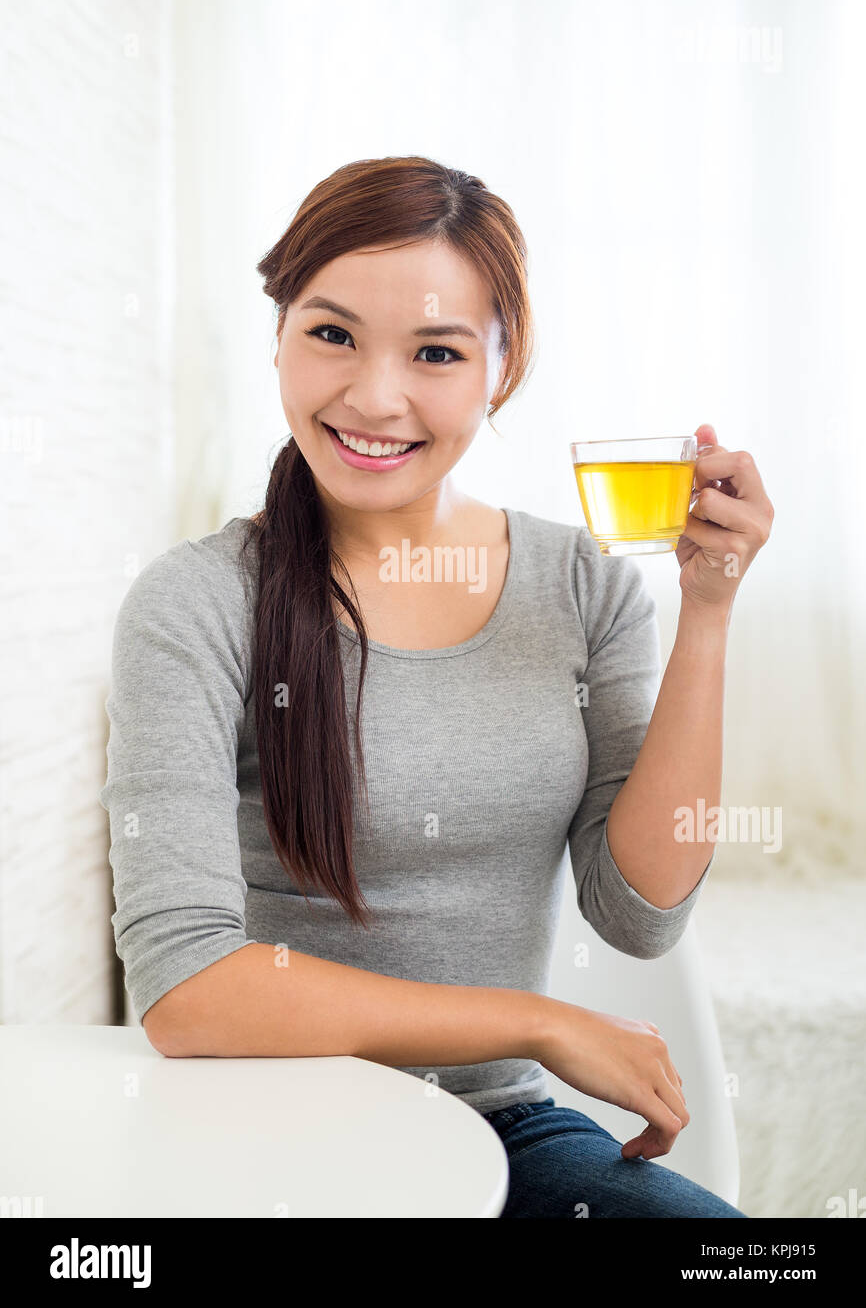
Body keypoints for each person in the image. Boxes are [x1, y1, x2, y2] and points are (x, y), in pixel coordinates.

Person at [100, 155, 773, 1218]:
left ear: (500, 370)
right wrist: (537, 1021)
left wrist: (707, 610)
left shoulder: (586, 588)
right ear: (277, 333)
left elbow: (638, 913)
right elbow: (188, 994)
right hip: (257, 1136)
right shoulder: (192, 603)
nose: (375, 396)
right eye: (330, 334)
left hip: (497, 1130)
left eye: (435, 352)